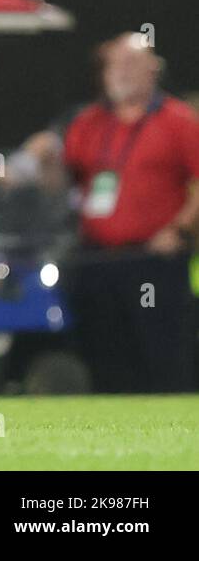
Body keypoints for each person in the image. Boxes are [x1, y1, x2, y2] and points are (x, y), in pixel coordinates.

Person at [62, 32, 199, 392]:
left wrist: (180, 230)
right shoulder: (88, 122)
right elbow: (67, 180)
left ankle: (171, 428)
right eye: (115, 64)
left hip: (153, 258)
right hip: (98, 258)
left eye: (132, 63)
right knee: (102, 351)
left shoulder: (179, 121)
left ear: (153, 70)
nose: (121, 72)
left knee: (160, 351)